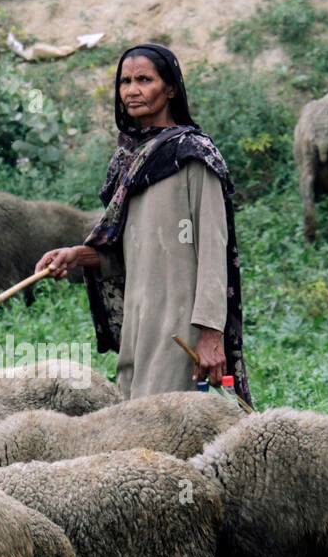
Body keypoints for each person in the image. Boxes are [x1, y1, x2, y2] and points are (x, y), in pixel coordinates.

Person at [35, 42, 250, 404]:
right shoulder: (128, 161)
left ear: (169, 89)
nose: (131, 91)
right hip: (139, 324)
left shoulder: (193, 156)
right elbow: (124, 254)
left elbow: (215, 252)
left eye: (144, 80)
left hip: (182, 326)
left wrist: (211, 334)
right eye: (125, 81)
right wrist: (76, 256)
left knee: (168, 428)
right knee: (138, 425)